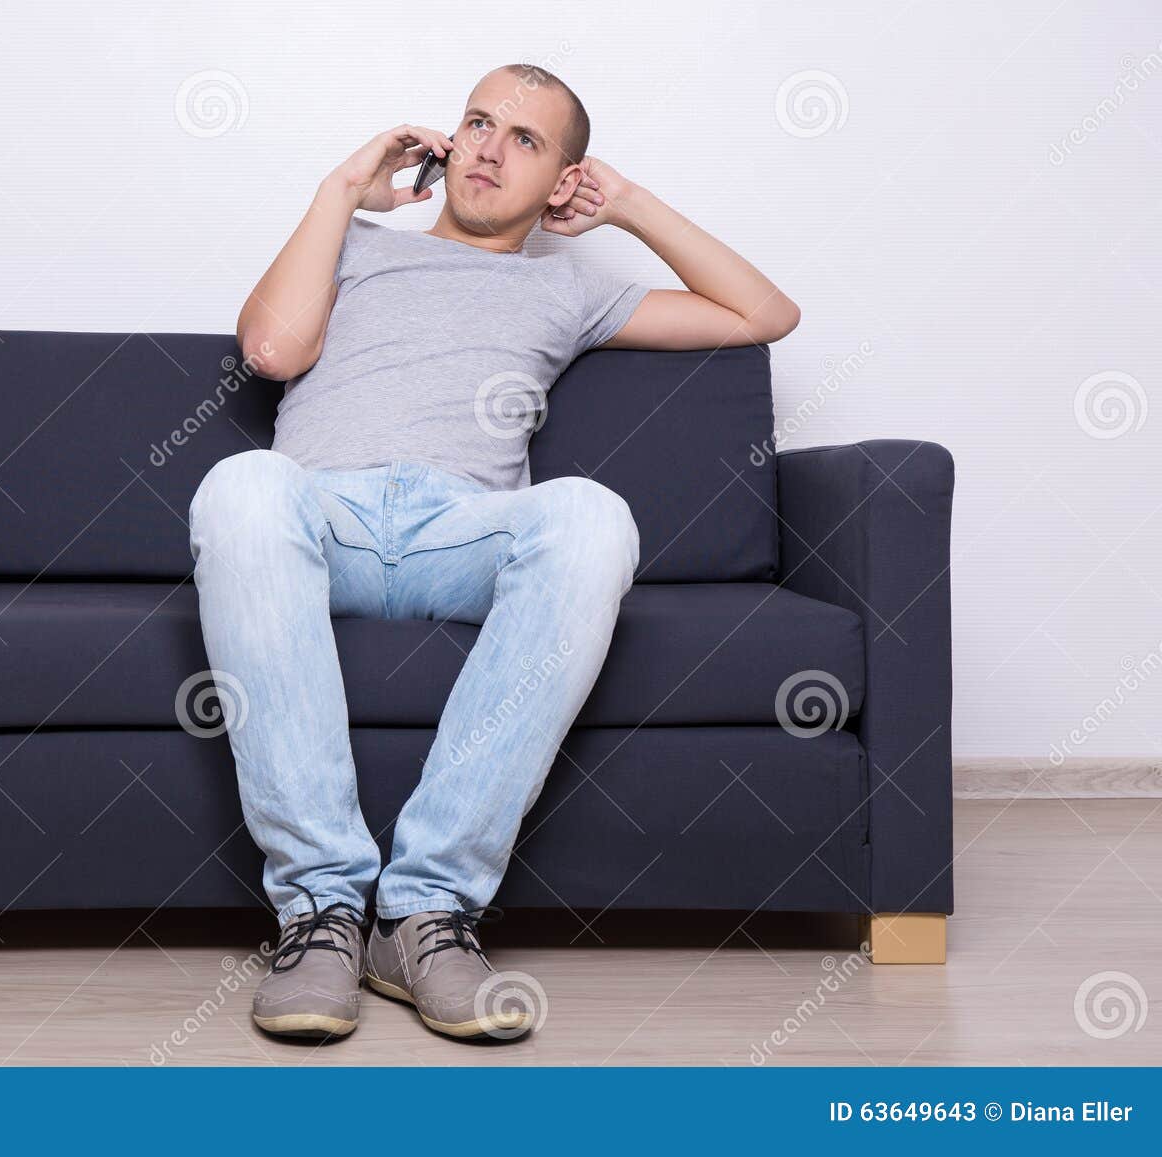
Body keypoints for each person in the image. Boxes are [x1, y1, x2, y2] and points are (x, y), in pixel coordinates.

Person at [187, 63, 800, 1041]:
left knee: (592, 515)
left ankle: (428, 909)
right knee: (240, 484)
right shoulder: (355, 242)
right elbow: (270, 349)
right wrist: (340, 190)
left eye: (524, 138)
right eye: (477, 122)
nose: (485, 145)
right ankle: (318, 912)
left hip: (460, 530)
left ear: (563, 179)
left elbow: (763, 315)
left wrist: (632, 206)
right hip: (323, 513)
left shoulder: (569, 283)